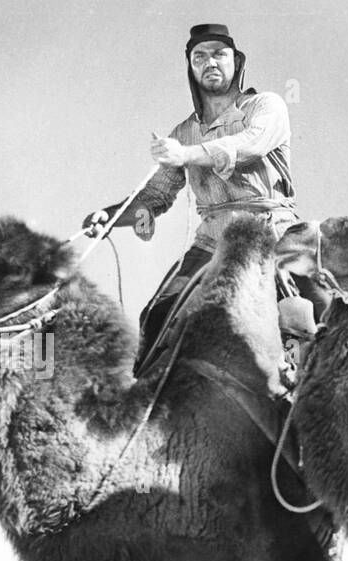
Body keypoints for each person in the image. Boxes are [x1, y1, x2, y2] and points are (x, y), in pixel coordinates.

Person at [83, 23, 303, 375]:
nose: (210, 62)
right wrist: (109, 216)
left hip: (270, 230)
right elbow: (156, 196)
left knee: (301, 312)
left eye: (219, 53)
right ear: (191, 67)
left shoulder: (265, 106)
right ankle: (146, 401)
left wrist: (188, 154)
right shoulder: (183, 133)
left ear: (236, 61)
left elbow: (249, 144)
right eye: (199, 56)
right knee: (157, 313)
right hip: (211, 242)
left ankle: (307, 391)